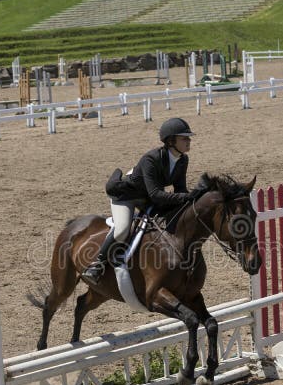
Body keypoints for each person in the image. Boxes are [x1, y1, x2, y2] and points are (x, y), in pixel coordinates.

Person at [82, 117, 199, 285]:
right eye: (184, 138)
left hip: (147, 197)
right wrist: (185, 197)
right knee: (122, 230)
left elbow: (180, 189)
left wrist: (192, 199)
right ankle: (97, 264)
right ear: (171, 141)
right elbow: (156, 195)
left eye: (188, 137)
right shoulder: (151, 158)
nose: (189, 141)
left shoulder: (182, 160)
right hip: (127, 195)